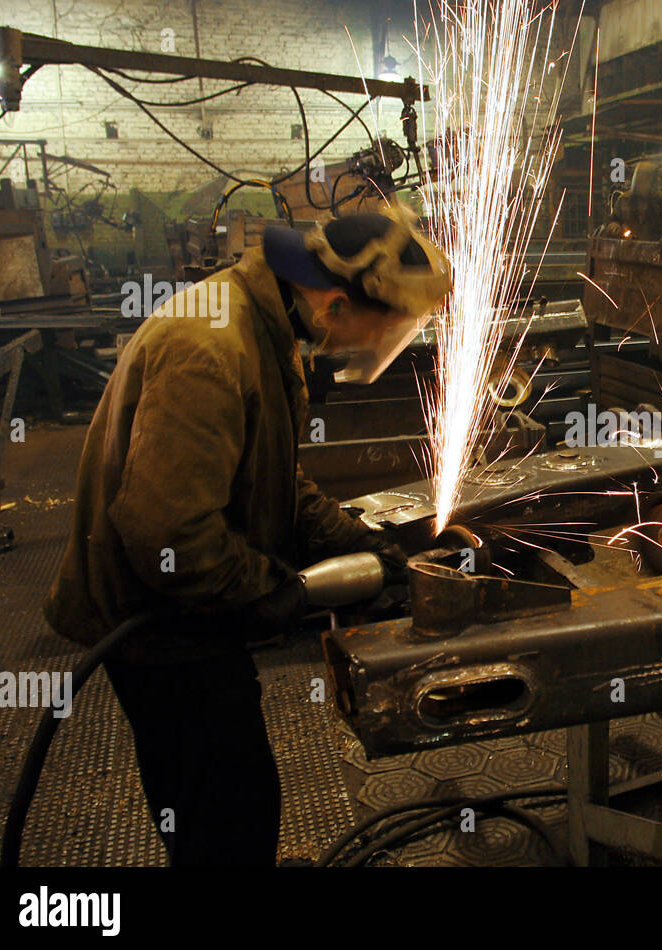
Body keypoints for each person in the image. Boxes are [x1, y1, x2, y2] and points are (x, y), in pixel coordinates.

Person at [44, 205, 451, 865]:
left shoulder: (264, 327)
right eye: (388, 329)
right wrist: (282, 595)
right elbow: (166, 532)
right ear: (337, 305)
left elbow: (274, 479)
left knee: (236, 799)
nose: (380, 346)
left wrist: (355, 541)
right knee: (224, 816)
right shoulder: (210, 346)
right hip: (156, 624)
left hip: (188, 610)